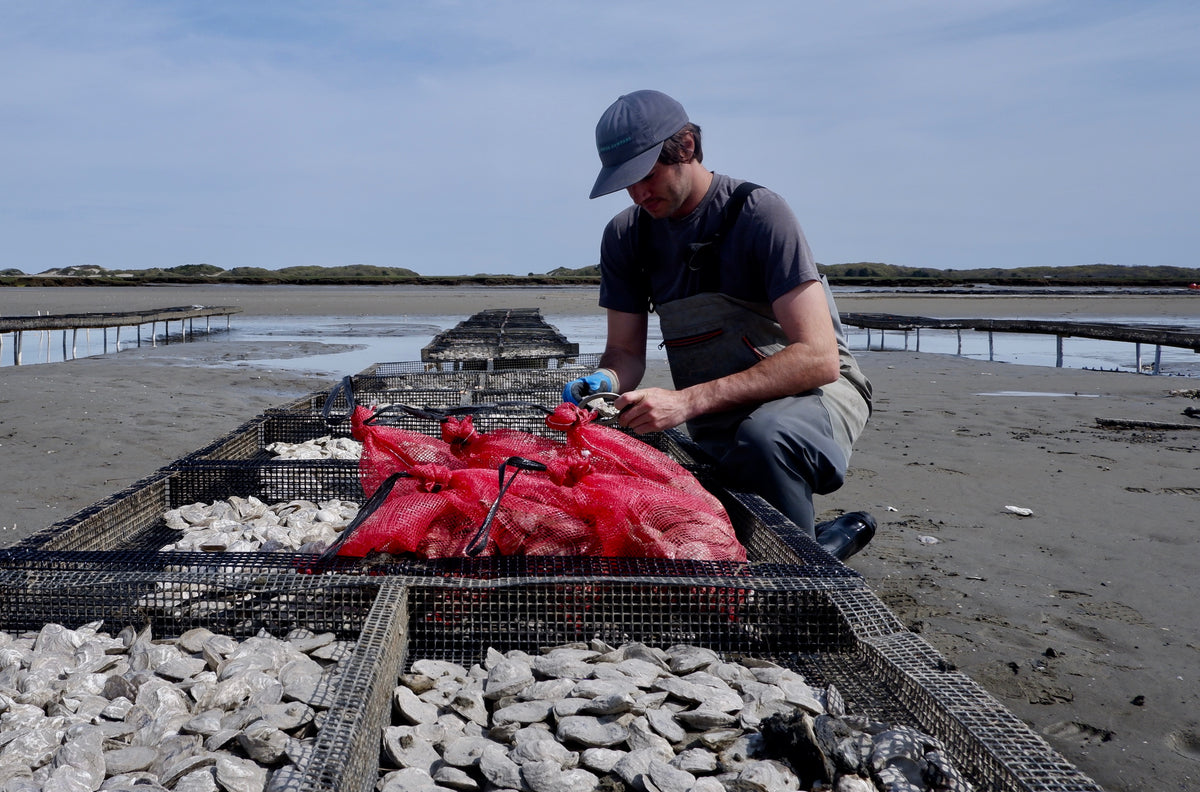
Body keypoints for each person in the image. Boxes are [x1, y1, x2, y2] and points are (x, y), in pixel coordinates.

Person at [563, 89, 876, 560]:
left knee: (765, 439)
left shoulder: (758, 214)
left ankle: (799, 574)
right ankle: (816, 547)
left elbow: (819, 357)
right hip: (717, 410)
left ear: (685, 146)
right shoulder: (626, 236)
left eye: (647, 175)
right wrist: (602, 384)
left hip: (815, 398)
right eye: (626, 183)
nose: (639, 193)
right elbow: (625, 353)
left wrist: (686, 401)